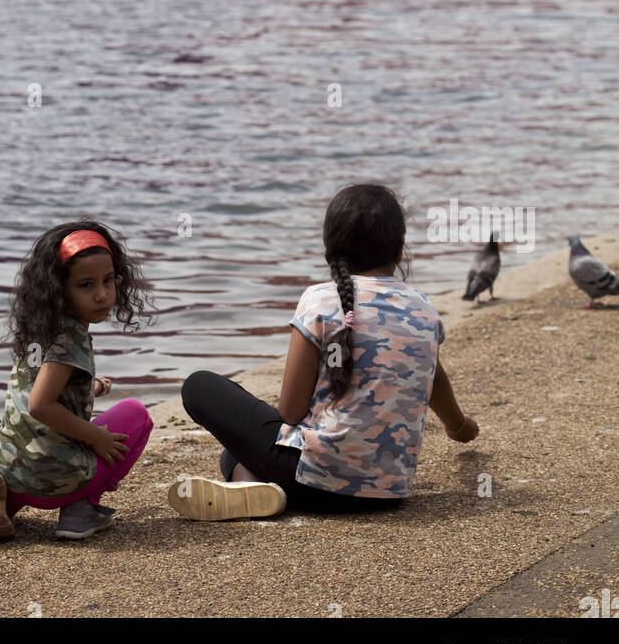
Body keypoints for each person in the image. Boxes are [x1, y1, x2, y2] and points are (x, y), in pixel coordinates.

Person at [168, 183, 477, 521]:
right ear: (400, 247)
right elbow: (434, 376)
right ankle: (253, 485)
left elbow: (289, 412)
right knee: (243, 448)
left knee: (201, 391)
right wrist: (459, 427)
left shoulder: (318, 301)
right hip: (387, 493)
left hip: (313, 482)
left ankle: (249, 483)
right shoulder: (424, 310)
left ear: (331, 248)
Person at [0, 220, 155, 541]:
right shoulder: (70, 340)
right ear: (58, 289)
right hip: (57, 483)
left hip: (13, 472)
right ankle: (81, 510)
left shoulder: (37, 331)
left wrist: (91, 388)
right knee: (137, 414)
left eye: (108, 281)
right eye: (86, 285)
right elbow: (40, 405)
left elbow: (37, 393)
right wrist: (96, 436)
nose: (102, 295)